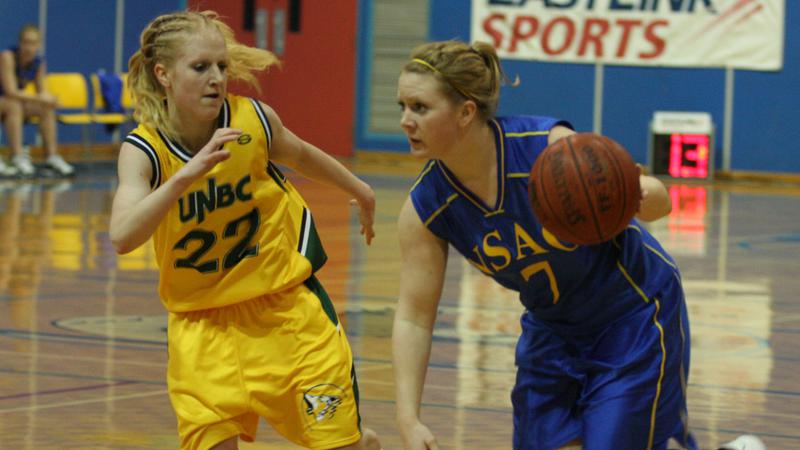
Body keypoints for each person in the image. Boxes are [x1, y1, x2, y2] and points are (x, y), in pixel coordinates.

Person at [392, 40, 764, 450]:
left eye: (420, 107)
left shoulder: (545, 147)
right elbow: (414, 317)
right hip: (551, 332)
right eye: (402, 107)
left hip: (631, 315)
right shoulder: (425, 208)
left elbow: (660, 201)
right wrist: (408, 417)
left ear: (465, 112)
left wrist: (632, 191)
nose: (406, 120)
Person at [109, 11, 381, 450]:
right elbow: (122, 237)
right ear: (163, 74)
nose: (216, 78)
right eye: (200, 67)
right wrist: (184, 177)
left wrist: (358, 187)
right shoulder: (145, 150)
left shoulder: (252, 120)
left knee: (338, 443)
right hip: (202, 330)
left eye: (221, 66)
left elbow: (301, 154)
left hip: (287, 315)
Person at [0, 24, 75, 177]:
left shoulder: (38, 62)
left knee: (46, 108)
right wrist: (41, 98)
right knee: (14, 105)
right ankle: (17, 156)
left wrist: (49, 100)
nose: (29, 47)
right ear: (19, 43)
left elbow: (42, 92)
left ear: (39, 45)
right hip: (6, 101)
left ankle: (52, 157)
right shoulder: (7, 57)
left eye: (33, 43)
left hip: (12, 103)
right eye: (26, 42)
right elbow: (11, 91)